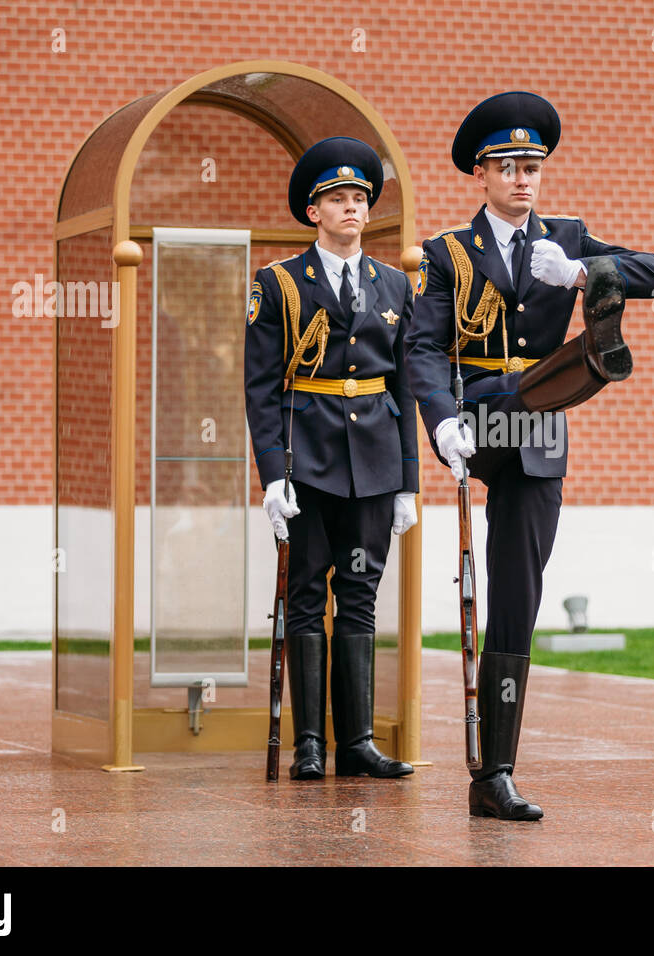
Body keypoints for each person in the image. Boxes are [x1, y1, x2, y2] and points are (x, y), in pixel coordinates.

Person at [404, 92, 654, 819]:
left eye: (533, 166)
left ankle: (493, 774)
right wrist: (439, 422)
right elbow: (425, 349)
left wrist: (586, 275)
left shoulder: (568, 238)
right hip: (479, 420)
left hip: (539, 427)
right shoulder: (448, 253)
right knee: (530, 392)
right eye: (509, 167)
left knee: (518, 597)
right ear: (482, 176)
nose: (524, 179)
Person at [245, 136, 418, 781]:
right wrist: (270, 477)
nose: (351, 209)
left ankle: (358, 744)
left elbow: (404, 386)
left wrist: (408, 482)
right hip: (307, 459)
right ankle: (311, 744)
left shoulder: (396, 285)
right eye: (337, 199)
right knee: (306, 600)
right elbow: (260, 390)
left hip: (372, 463)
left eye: (359, 199)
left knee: (362, 597)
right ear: (313, 211)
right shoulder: (281, 285)